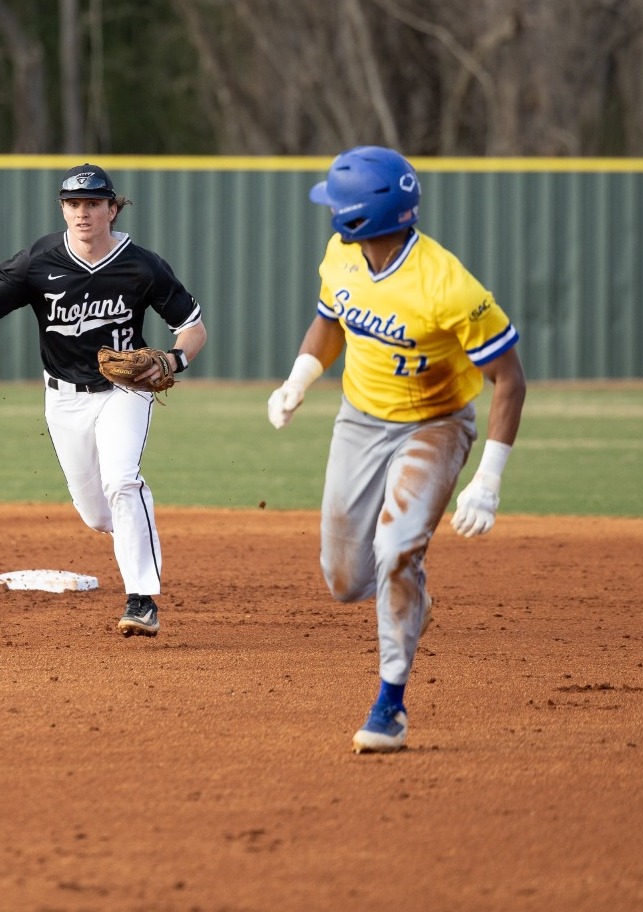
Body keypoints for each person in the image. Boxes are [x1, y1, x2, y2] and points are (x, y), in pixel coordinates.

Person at [267, 146, 527, 753]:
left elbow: (509, 378)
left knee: (394, 551)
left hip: (434, 426)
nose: (328, 211)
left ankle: (391, 705)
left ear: (359, 215)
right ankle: (411, 599)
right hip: (359, 420)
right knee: (344, 579)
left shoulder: (449, 287)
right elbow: (331, 320)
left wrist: (488, 478)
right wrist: (300, 378)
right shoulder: (342, 255)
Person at [0, 163, 207, 637]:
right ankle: (137, 530)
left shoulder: (141, 264)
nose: (83, 212)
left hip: (124, 391)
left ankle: (141, 600)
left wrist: (173, 361)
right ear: (63, 210)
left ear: (113, 208)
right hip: (64, 399)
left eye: (93, 203)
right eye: (73, 203)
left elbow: (192, 327)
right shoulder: (39, 259)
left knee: (122, 480)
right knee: (97, 513)